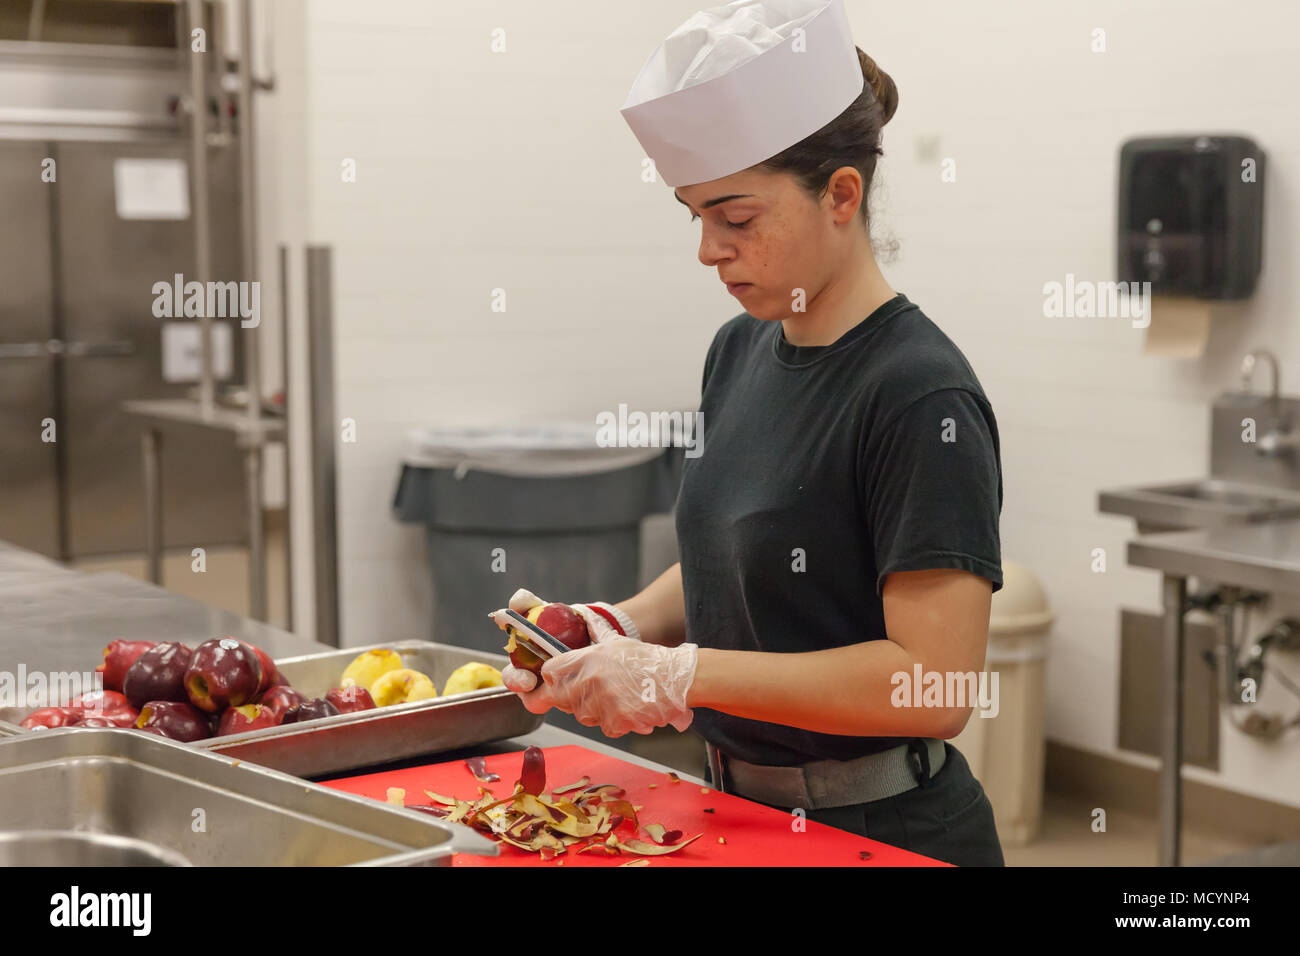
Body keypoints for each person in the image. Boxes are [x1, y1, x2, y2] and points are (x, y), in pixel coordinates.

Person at [492, 0, 1006, 867]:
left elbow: (933, 685)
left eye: (736, 220)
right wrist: (618, 626)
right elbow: (740, 558)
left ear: (842, 195)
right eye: (693, 216)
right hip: (731, 812)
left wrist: (681, 675)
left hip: (881, 833)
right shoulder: (740, 350)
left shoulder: (920, 395)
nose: (708, 250)